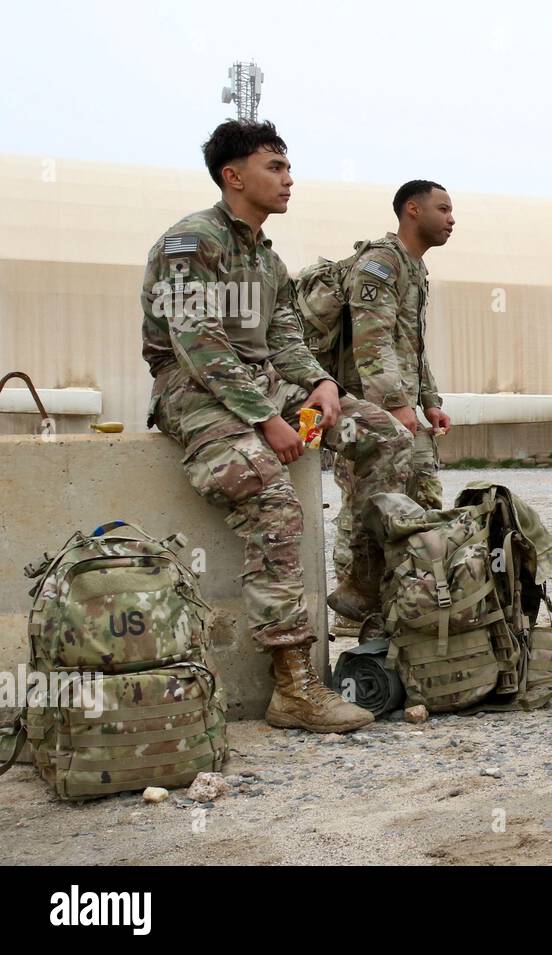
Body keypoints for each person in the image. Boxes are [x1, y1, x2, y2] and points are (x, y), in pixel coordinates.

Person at [141, 119, 412, 733]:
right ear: (232, 176)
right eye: (275, 167)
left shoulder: (267, 257)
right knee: (272, 495)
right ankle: (293, 686)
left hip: (265, 383)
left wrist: (318, 383)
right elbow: (197, 343)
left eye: (288, 167)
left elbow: (284, 332)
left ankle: (360, 589)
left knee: (384, 435)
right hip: (195, 389)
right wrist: (266, 420)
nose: (289, 179)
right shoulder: (191, 242)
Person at [329, 181, 454, 632]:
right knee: (368, 499)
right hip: (366, 406)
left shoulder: (415, 269)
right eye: (443, 209)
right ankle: (352, 602)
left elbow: (411, 348)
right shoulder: (381, 263)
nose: (451, 218)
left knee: (420, 496)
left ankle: (398, 598)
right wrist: (397, 404)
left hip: (400, 406)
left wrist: (430, 402)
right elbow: (372, 341)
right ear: (413, 210)